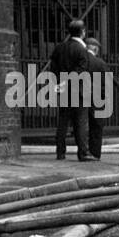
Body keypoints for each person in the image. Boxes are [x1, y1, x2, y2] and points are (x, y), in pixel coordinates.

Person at [50, 19, 91, 161]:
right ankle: (83, 153)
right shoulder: (82, 49)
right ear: (82, 32)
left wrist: (61, 82)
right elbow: (82, 70)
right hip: (78, 91)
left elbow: (53, 68)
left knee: (62, 122)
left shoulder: (59, 48)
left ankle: (60, 152)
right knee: (80, 123)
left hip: (63, 90)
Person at [83, 36, 119, 161]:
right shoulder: (99, 63)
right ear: (94, 48)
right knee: (96, 126)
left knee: (80, 124)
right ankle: (95, 154)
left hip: (80, 95)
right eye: (97, 48)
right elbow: (111, 78)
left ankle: (82, 152)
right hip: (97, 97)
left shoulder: (79, 61)